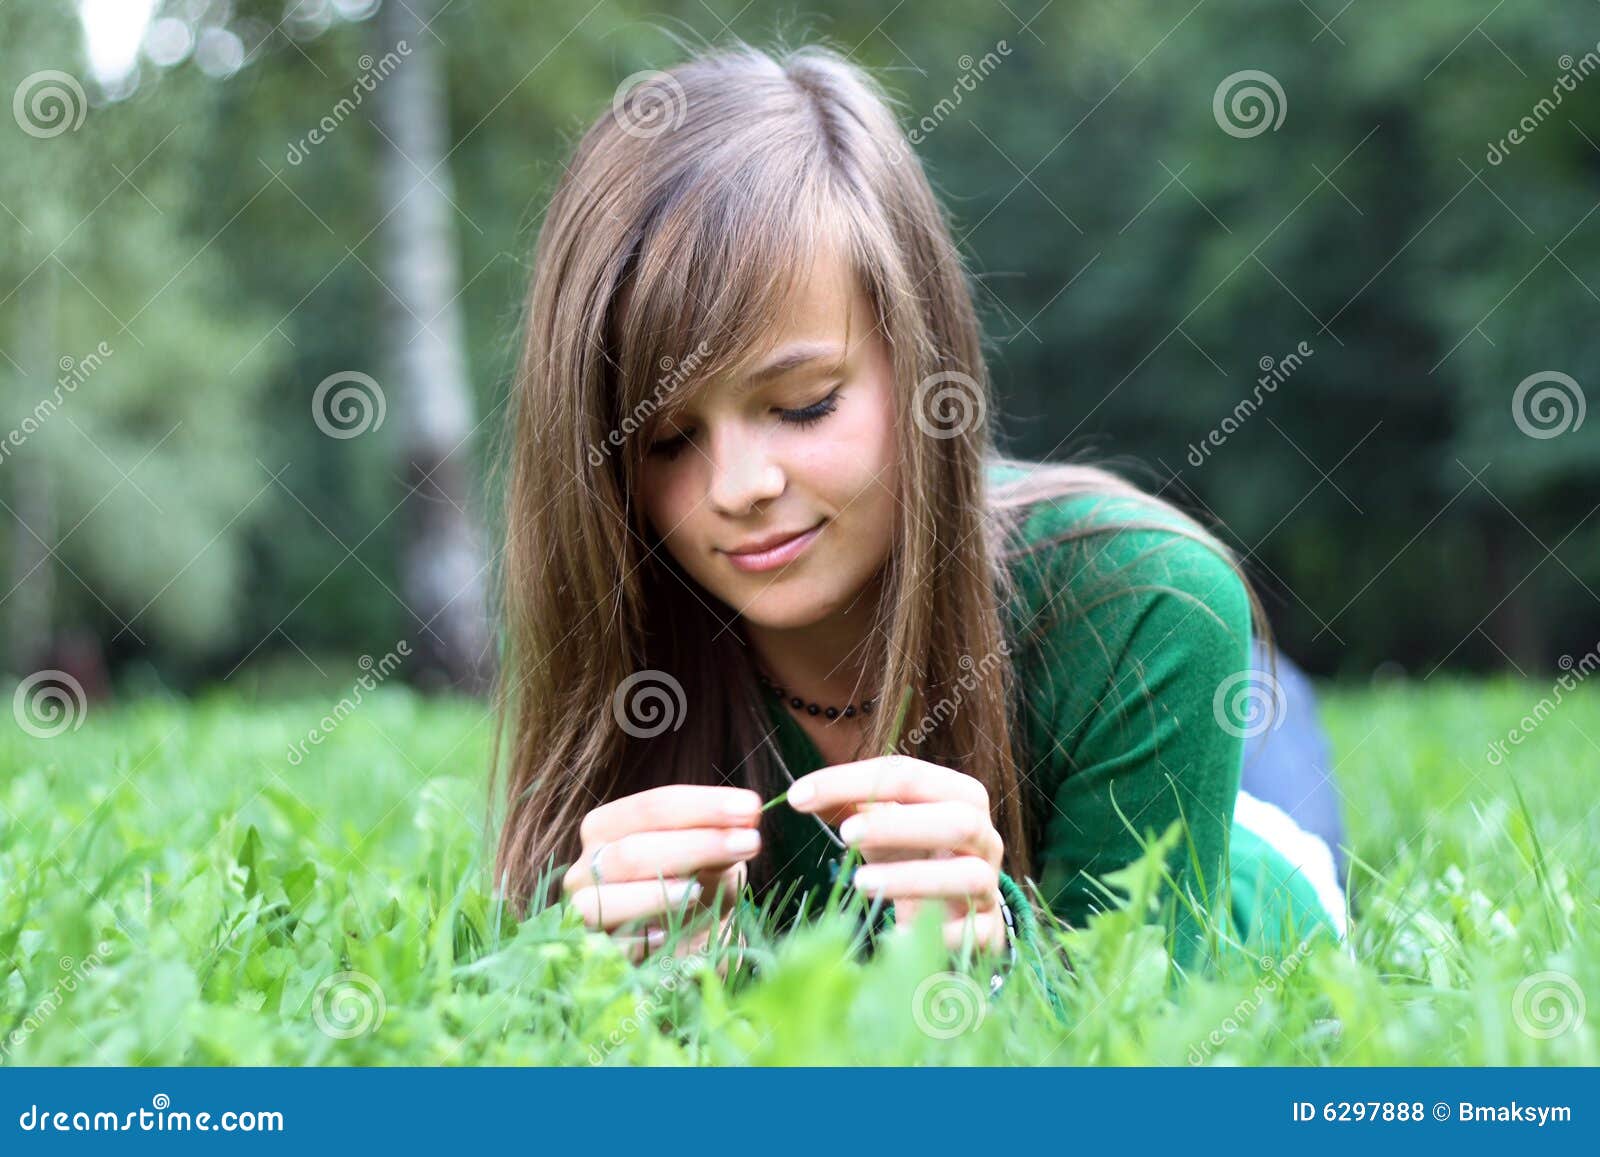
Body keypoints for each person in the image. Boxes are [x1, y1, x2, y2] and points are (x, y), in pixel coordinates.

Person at [488, 42, 1345, 986]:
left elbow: (1136, 1035)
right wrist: (611, 971)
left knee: (1269, 722)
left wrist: (999, 952)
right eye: (664, 441)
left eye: (804, 402)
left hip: (1257, 844)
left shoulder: (1152, 604)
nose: (737, 487)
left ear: (922, 351)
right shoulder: (622, 618)